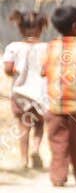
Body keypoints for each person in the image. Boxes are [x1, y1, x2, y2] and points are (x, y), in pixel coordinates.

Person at [40, 4, 76, 187]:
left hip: (55, 106)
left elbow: (43, 71)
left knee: (58, 143)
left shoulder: (50, 47)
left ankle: (58, 177)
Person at [5, 9, 49, 171]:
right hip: (40, 94)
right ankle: (36, 150)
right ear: (41, 28)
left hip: (20, 93)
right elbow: (48, 69)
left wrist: (16, 71)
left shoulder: (13, 47)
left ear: (20, 29)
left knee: (24, 127)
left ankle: (23, 159)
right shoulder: (47, 48)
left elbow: (8, 69)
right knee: (39, 125)